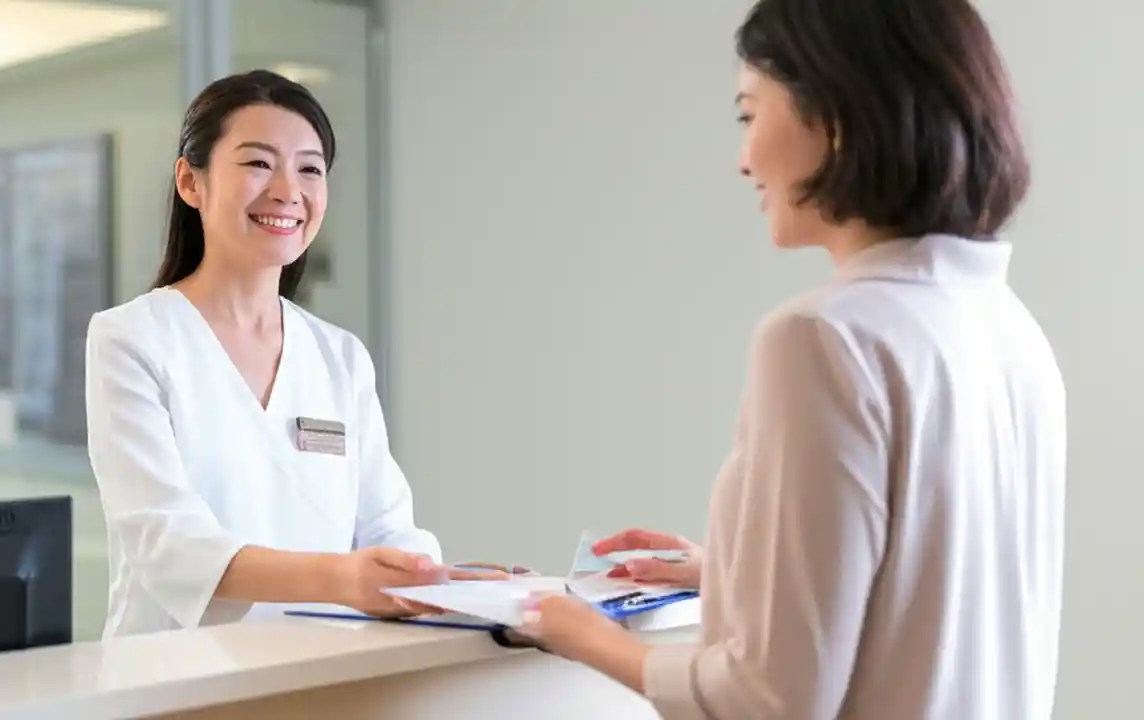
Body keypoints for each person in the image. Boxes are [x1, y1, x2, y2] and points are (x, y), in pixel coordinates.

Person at [520, 1, 1065, 718]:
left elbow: (767, 701)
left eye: (749, 115)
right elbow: (938, 597)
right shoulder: (1008, 327)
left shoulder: (822, 337)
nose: (743, 159)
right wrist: (741, 577)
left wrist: (579, 633)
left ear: (833, 115)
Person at [85, 70, 501, 638]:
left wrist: (443, 581)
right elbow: (169, 543)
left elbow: (384, 527)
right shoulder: (132, 338)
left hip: (316, 678)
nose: (288, 190)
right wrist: (340, 579)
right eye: (258, 163)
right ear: (191, 182)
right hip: (172, 682)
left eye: (310, 168)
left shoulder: (340, 357)